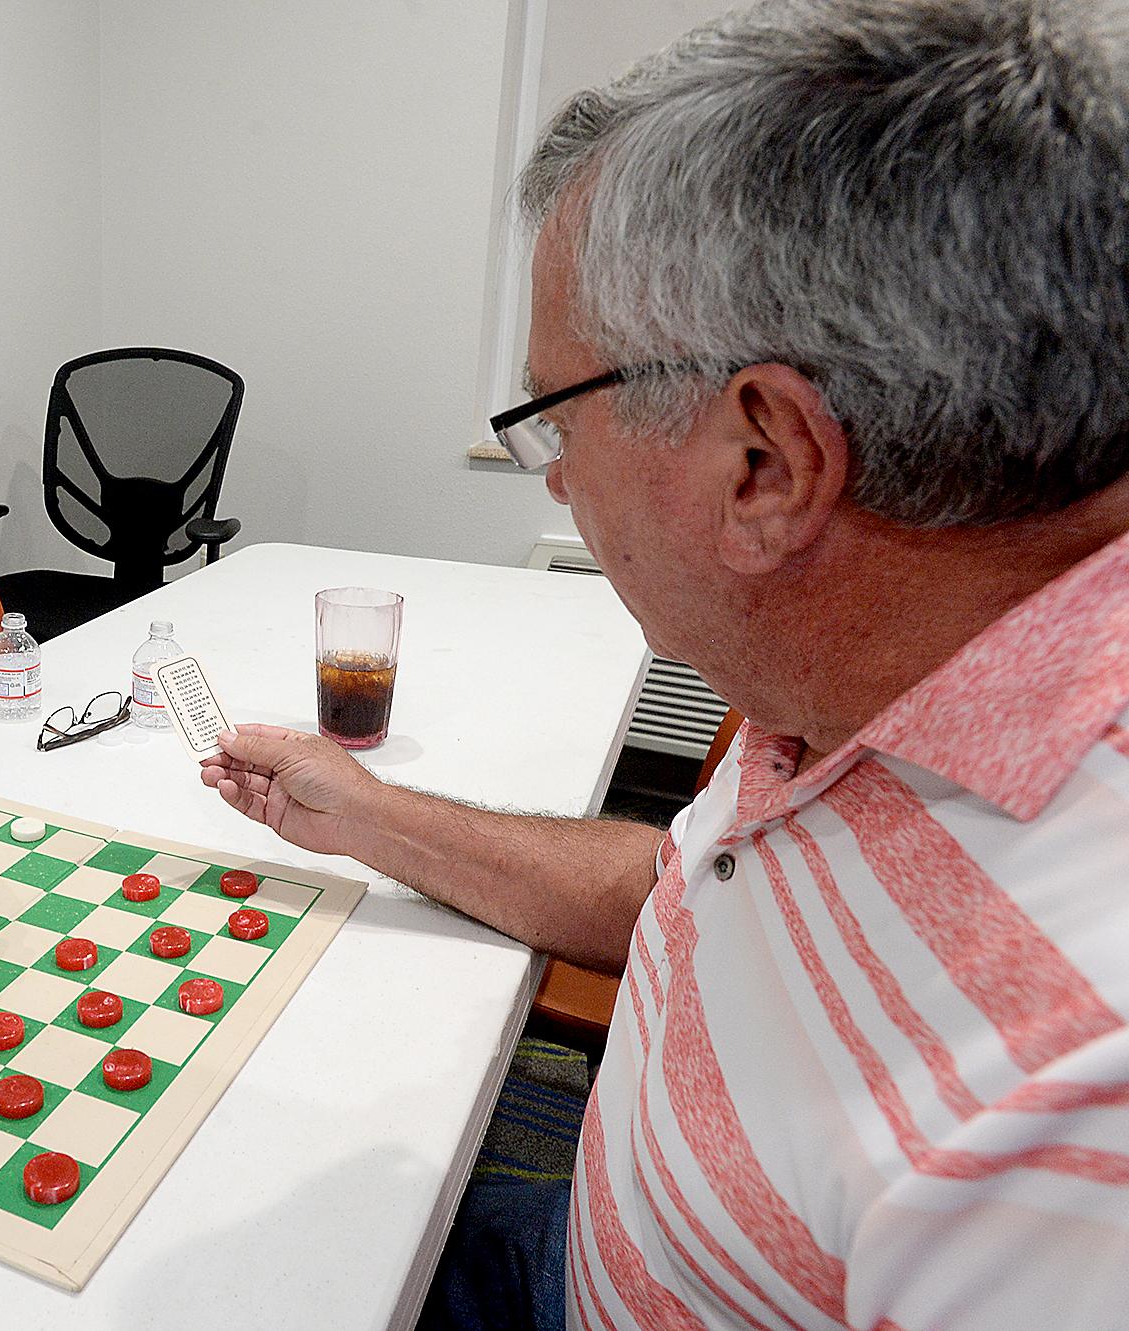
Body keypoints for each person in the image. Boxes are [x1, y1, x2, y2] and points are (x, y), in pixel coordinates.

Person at [202, 2, 1129, 1327]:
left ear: (767, 464)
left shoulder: (1079, 1104)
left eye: (549, 416)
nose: (560, 473)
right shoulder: (864, 672)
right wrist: (354, 809)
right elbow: (687, 886)